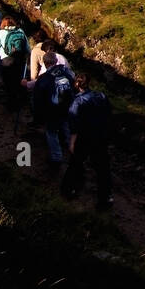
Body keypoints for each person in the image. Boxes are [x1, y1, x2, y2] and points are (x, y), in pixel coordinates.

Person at [61, 74, 113, 209]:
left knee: (75, 162)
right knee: (103, 168)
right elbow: (109, 114)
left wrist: (72, 142)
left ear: (76, 85)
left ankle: (69, 189)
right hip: (101, 136)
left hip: (84, 137)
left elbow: (74, 125)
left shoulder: (77, 102)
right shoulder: (101, 96)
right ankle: (106, 197)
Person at [29, 51, 75, 163]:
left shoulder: (44, 78)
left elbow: (37, 99)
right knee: (66, 127)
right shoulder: (67, 72)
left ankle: (56, 157)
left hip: (52, 110)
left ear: (45, 63)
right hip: (68, 106)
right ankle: (72, 148)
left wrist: (38, 115)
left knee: (51, 132)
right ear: (55, 61)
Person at [0, 16, 29, 130]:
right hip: (19, 61)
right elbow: (27, 48)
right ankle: (19, 102)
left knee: (8, 82)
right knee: (17, 81)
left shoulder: (1, 33)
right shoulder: (20, 31)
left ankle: (11, 104)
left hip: (7, 60)